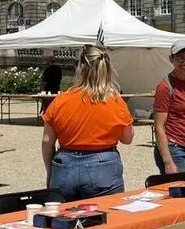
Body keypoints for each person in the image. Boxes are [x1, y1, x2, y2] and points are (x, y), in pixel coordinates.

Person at [42, 44, 135, 200]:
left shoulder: (61, 100)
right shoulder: (115, 101)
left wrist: (50, 172)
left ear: (80, 68)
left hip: (65, 166)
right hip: (103, 166)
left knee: (65, 221)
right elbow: (127, 138)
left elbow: (47, 141)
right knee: (107, 219)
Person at [152, 40, 185, 176]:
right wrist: (168, 161)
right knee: (177, 192)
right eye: (180, 58)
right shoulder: (165, 87)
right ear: (171, 59)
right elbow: (159, 126)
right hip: (174, 147)